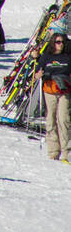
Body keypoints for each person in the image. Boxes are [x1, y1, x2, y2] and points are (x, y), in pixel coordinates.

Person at [35, 23, 71, 161]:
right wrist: (39, 74)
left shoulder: (68, 56)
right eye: (57, 42)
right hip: (49, 90)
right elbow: (38, 71)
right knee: (50, 120)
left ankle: (66, 152)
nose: (60, 45)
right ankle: (53, 151)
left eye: (62, 42)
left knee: (64, 120)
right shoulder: (46, 56)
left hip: (64, 91)